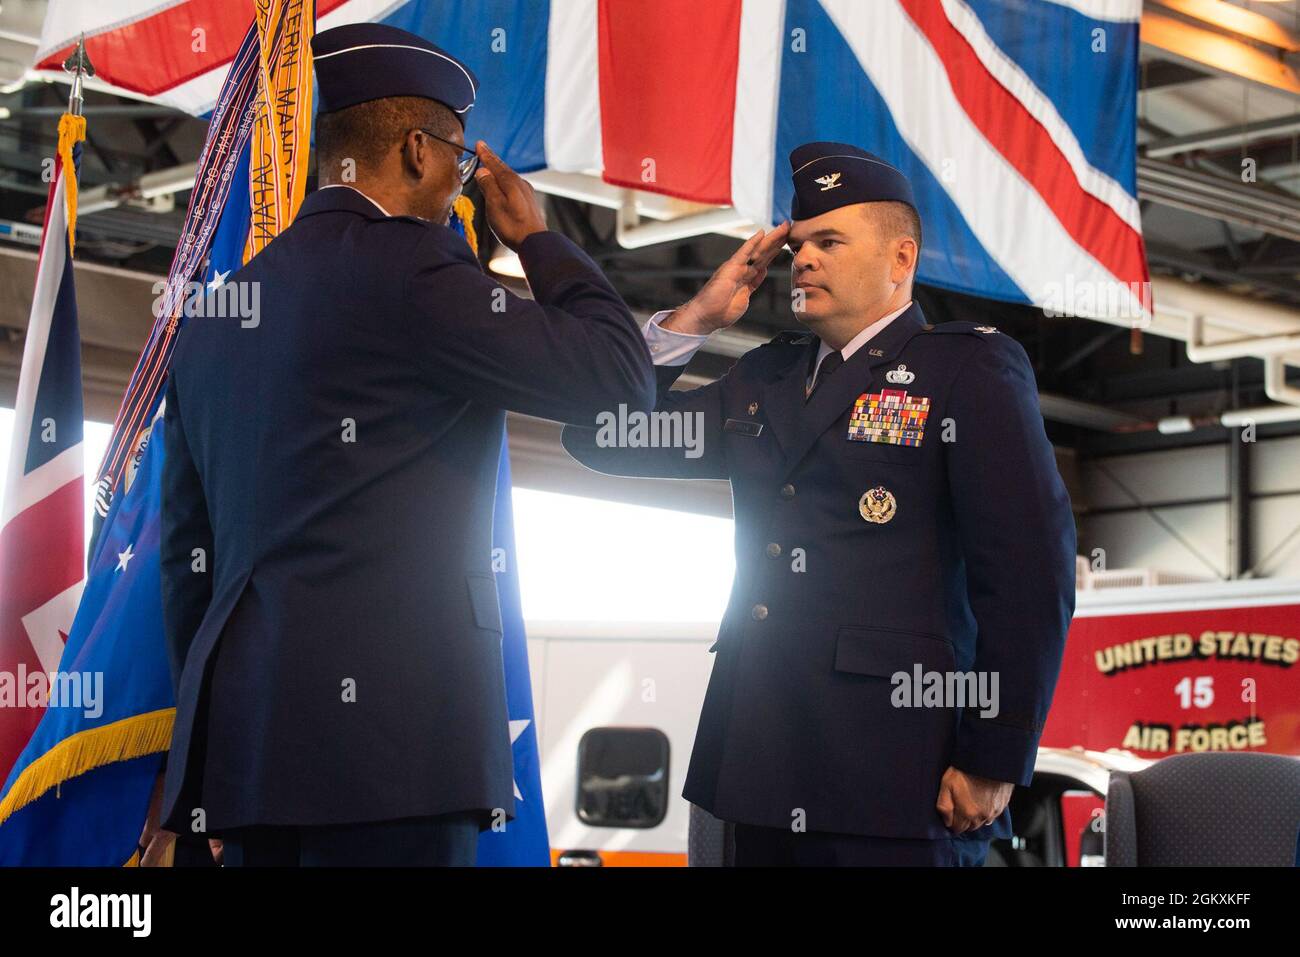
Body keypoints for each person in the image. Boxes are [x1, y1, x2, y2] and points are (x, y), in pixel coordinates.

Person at [156, 23, 655, 866]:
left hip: (249, 765)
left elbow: (186, 562)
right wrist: (534, 236)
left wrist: (219, 757)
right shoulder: (416, 273)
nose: (462, 187)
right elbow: (618, 379)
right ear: (420, 152)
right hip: (395, 762)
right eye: (461, 164)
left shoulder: (215, 316)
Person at [562, 142, 1076, 866]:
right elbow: (600, 435)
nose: (802, 259)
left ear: (901, 259)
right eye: (798, 244)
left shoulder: (966, 369)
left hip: (895, 773)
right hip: (761, 762)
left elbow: (1031, 572)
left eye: (830, 241)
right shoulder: (763, 378)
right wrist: (698, 317)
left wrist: (995, 753)